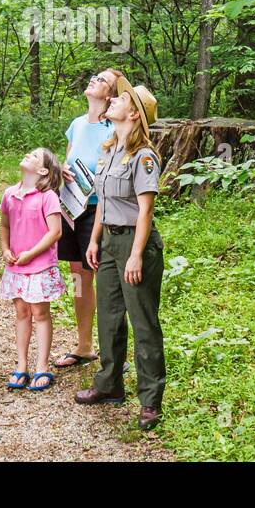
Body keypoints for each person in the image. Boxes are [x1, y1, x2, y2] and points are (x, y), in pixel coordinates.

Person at [74, 76, 166, 431]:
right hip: (109, 243)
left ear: (134, 114)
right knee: (109, 317)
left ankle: (150, 401)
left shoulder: (143, 157)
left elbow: (145, 211)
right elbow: (102, 203)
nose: (114, 100)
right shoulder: (109, 148)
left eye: (122, 99)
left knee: (143, 323)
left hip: (134, 244)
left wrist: (136, 255)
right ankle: (109, 384)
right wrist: (95, 240)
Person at [52, 68, 121, 370]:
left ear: (110, 95)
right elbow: (68, 160)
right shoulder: (77, 125)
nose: (94, 79)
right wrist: (62, 170)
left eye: (102, 80)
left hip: (98, 211)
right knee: (79, 277)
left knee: (102, 278)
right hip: (70, 206)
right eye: (94, 76)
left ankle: (112, 351)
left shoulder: (113, 129)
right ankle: (84, 346)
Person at [0, 148, 66, 391]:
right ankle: (21, 365)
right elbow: (4, 226)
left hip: (40, 266)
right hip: (16, 266)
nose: (28, 154)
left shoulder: (48, 197)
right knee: (22, 313)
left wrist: (31, 254)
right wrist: (6, 248)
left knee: (40, 313)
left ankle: (42, 366)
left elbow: (55, 231)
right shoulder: (10, 194)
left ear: (43, 171)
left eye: (35, 155)